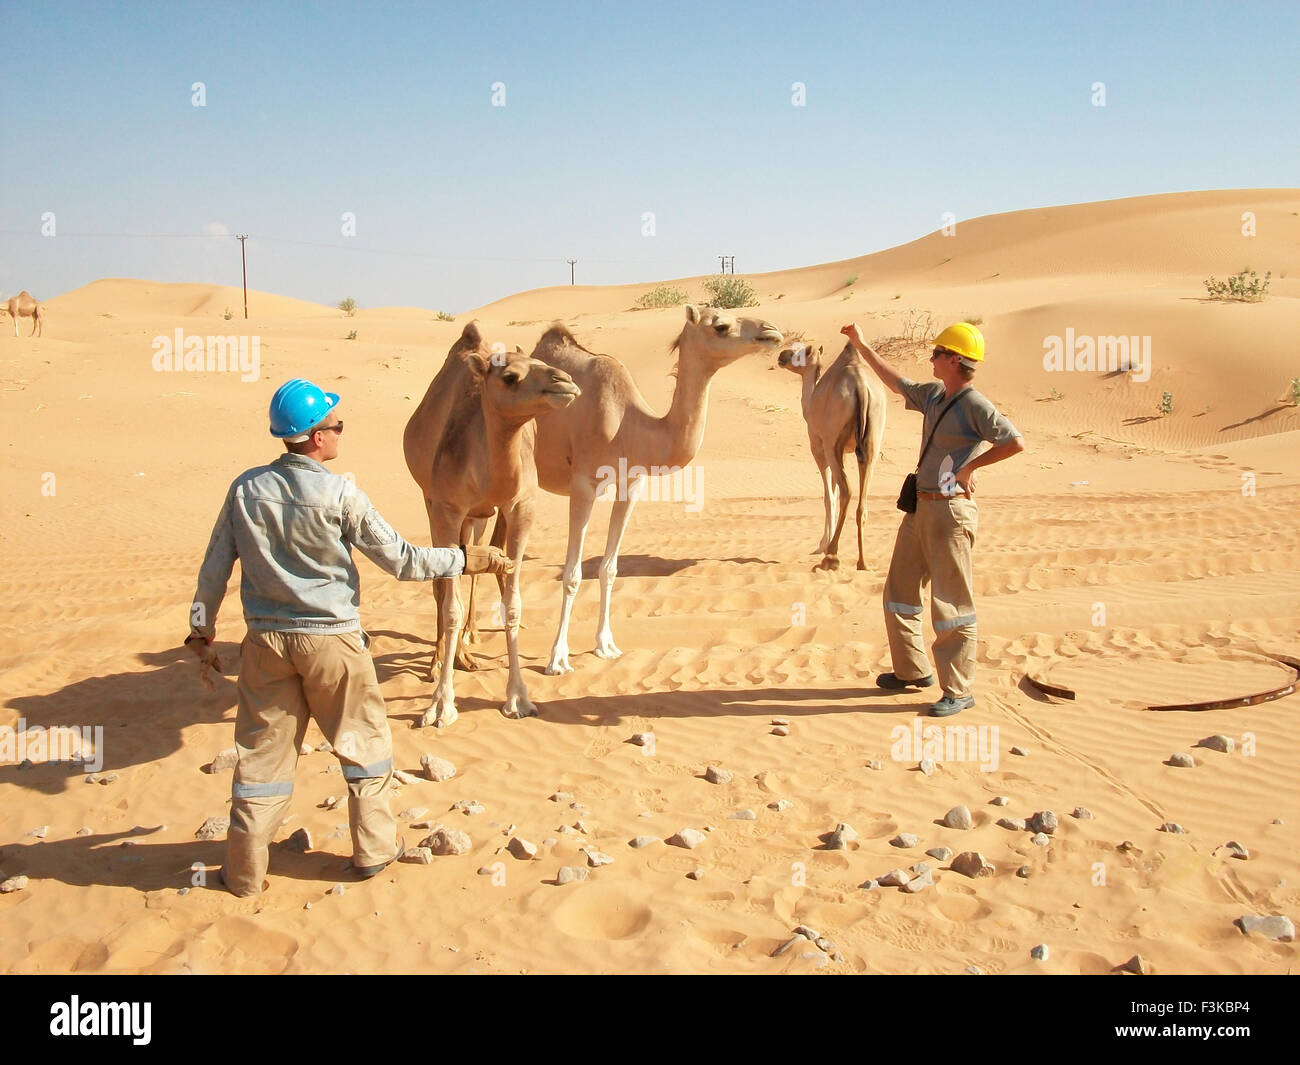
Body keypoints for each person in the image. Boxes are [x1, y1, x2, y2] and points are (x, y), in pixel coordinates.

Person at [185, 378, 512, 896]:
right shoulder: (341, 494)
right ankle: (375, 850)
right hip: (333, 644)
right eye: (335, 426)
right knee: (364, 748)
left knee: (261, 760)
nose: (340, 433)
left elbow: (212, 569)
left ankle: (245, 870)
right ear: (316, 438)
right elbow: (405, 561)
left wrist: (199, 631)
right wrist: (468, 559)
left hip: (266, 646)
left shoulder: (246, 489)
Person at [840, 322, 1024, 716]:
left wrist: (970, 469)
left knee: (952, 603)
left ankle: (958, 690)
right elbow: (897, 383)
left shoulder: (975, 404)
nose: (932, 358)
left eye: (938, 353)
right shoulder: (936, 395)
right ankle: (912, 671)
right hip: (920, 508)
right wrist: (862, 344)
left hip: (950, 511)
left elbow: (1013, 441)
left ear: (956, 360)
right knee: (899, 592)